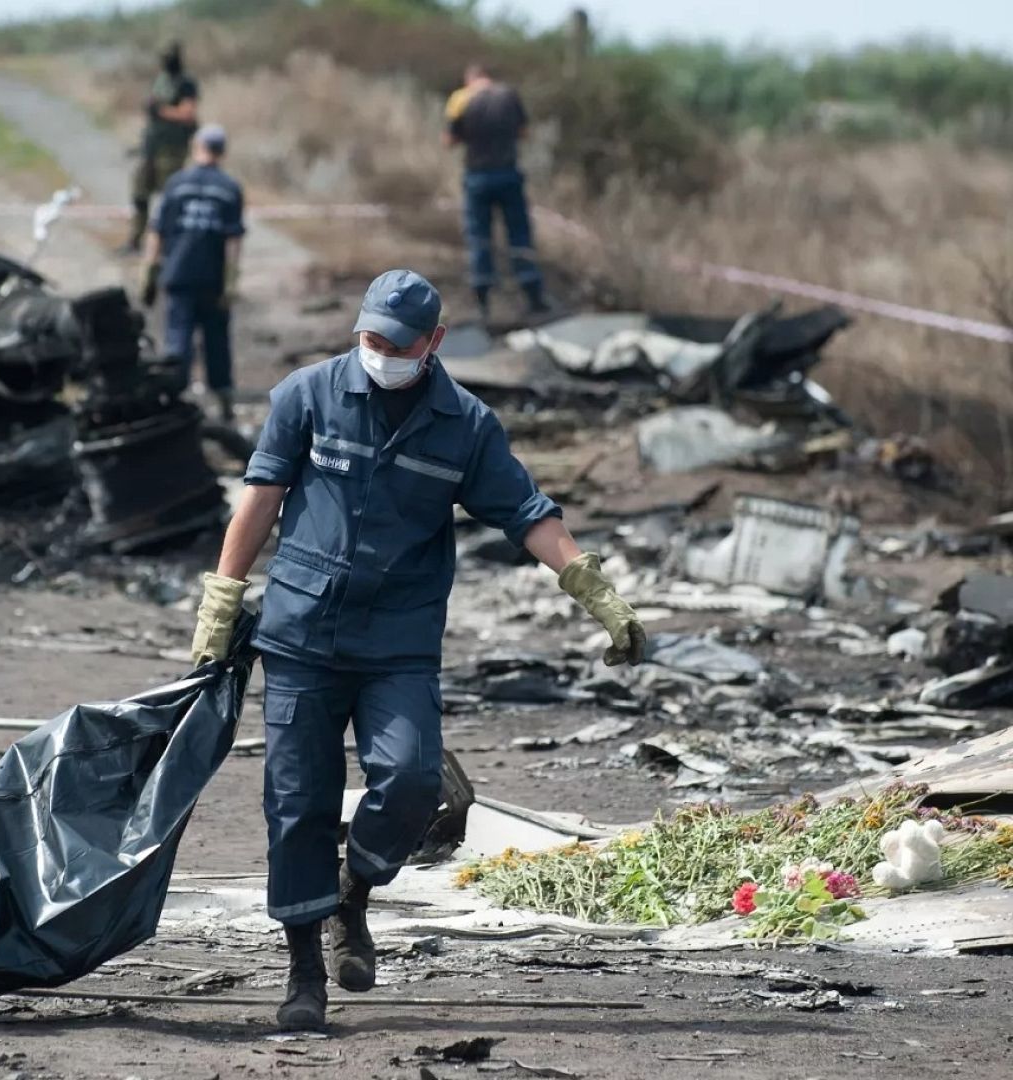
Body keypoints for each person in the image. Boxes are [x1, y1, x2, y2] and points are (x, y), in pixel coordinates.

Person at [187, 269, 643, 1031]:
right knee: (295, 804)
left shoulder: (464, 425)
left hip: (397, 641)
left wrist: (595, 591)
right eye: (370, 338)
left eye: (398, 344)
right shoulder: (307, 395)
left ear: (432, 343)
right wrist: (221, 601)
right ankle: (304, 974)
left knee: (409, 780)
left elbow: (527, 513)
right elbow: (261, 497)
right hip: (301, 634)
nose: (380, 353)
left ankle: (352, 895)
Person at [142, 124, 245, 421]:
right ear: (222, 151)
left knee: (177, 341)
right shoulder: (229, 188)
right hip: (212, 279)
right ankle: (225, 404)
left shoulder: (176, 184)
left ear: (195, 147)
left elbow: (157, 231)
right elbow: (233, 240)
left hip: (178, 275)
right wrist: (231, 281)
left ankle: (174, 403)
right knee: (217, 342)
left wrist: (149, 272)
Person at [444, 64, 549, 318]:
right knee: (519, 234)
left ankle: (483, 300)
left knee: (479, 236)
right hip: (508, 173)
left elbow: (449, 141)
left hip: (477, 177)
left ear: (470, 79)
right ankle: (532, 295)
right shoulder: (509, 96)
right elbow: (524, 132)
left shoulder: (461, 99)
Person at [122, 40, 199, 254]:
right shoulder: (161, 80)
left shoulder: (186, 83)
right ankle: (135, 240)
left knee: (170, 196)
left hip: (172, 150)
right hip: (152, 146)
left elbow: (187, 113)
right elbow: (153, 106)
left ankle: (170, 243)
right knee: (139, 193)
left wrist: (162, 110)